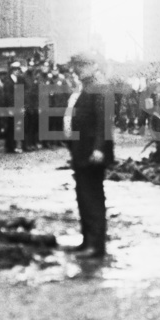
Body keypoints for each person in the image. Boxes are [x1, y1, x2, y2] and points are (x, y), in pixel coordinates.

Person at [65, 51, 115, 259]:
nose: (78, 70)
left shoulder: (99, 87)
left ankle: (96, 245)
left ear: (93, 66)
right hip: (81, 151)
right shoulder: (86, 87)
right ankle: (87, 240)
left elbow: (104, 122)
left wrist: (98, 149)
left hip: (91, 153)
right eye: (77, 66)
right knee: (83, 197)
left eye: (82, 66)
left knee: (92, 197)